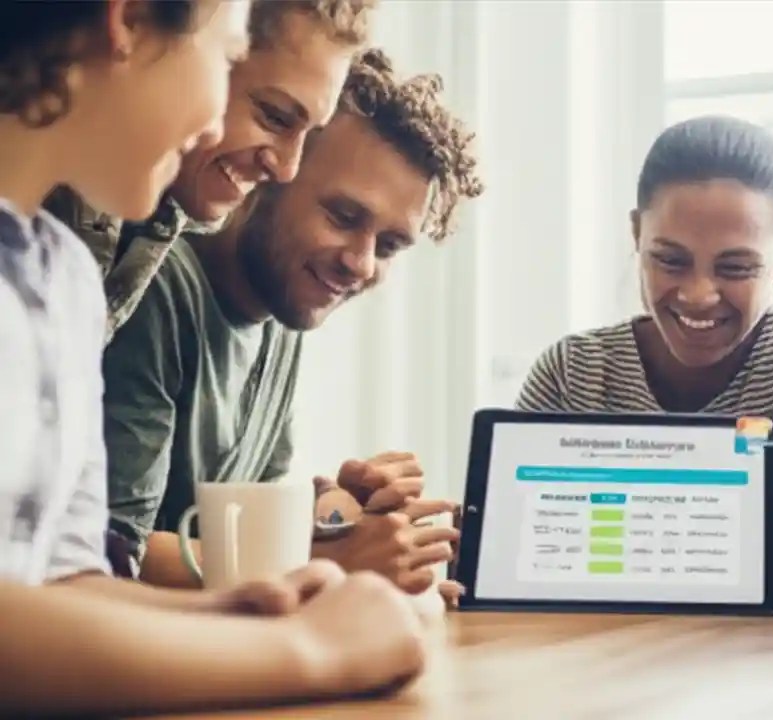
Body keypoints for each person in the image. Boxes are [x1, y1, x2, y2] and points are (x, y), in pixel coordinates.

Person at [0, 1, 424, 714]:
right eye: (227, 60)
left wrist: (249, 608)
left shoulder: (65, 277)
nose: (284, 168)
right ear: (129, 21)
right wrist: (310, 650)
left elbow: (61, 582)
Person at [102, 48, 485, 595]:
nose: (361, 263)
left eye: (389, 245)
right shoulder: (159, 287)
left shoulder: (282, 313)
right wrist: (325, 566)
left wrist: (339, 516)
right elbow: (115, 551)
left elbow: (230, 528)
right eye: (343, 217)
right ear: (274, 173)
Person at [516, 115, 773, 601]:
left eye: (735, 268)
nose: (698, 295)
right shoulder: (572, 373)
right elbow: (508, 546)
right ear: (636, 235)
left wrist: (631, 552)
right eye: (670, 260)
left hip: (760, 647)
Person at [44, 0, 377, 343]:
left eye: (309, 136)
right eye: (275, 117)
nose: (286, 170)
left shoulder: (164, 215)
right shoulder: (47, 193)